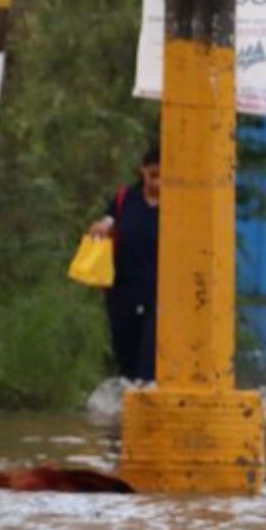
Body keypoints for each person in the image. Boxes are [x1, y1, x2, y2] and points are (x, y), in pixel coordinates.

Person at [86, 145, 161, 382]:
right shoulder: (125, 198)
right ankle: (126, 406)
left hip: (159, 293)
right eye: (153, 175)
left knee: (149, 358)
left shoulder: (179, 204)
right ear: (143, 170)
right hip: (122, 289)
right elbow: (108, 220)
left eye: (164, 176)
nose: (158, 183)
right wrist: (101, 228)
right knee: (125, 352)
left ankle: (146, 402)